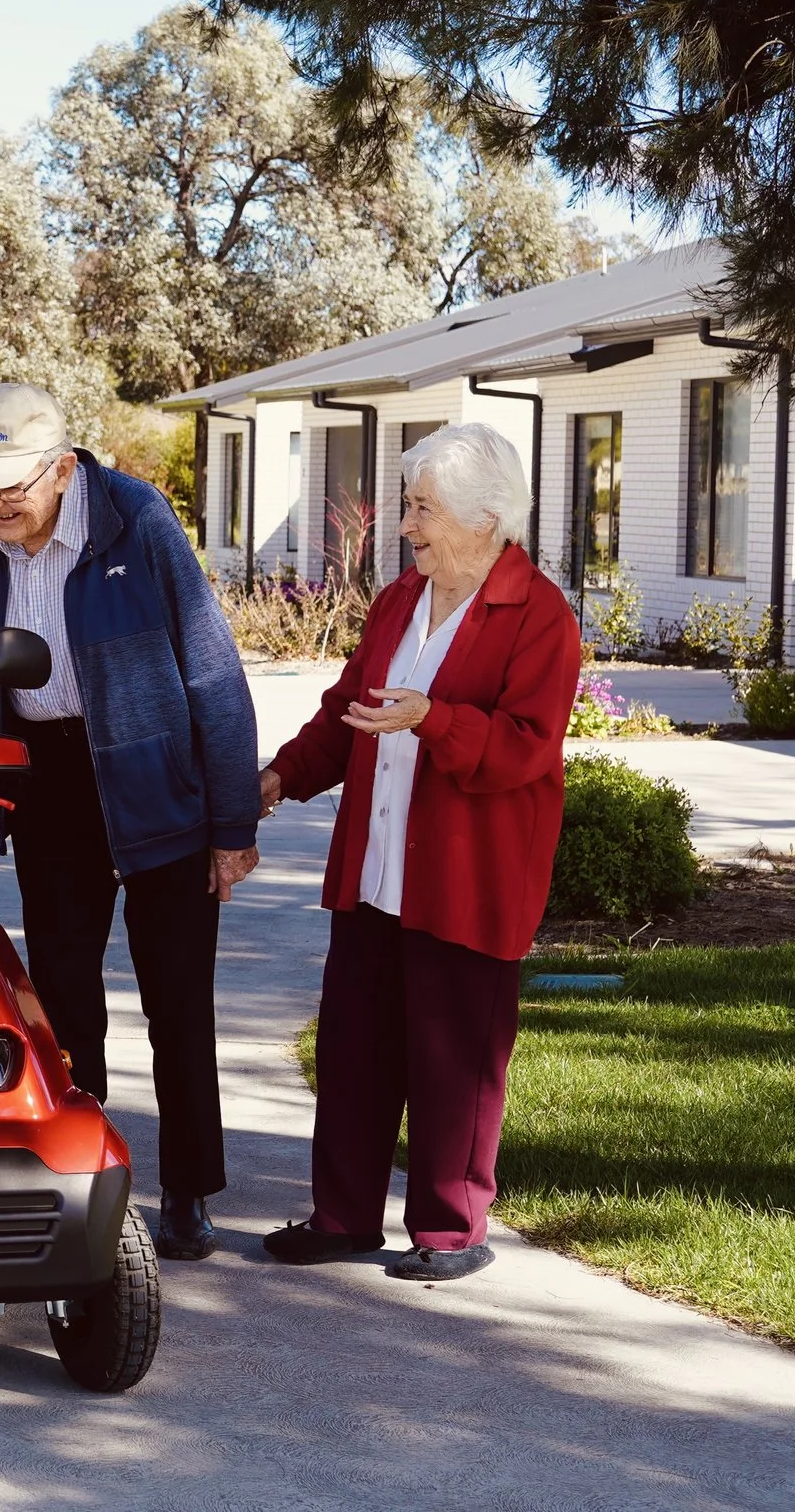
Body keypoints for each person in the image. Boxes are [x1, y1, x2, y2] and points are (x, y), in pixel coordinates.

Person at [0, 384, 260, 1264]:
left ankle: (190, 1190)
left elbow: (213, 672)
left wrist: (232, 823)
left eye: (10, 485)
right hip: (49, 781)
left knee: (176, 1001)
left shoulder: (135, 519)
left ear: (63, 468)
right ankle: (83, 1172)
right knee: (65, 997)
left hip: (156, 775)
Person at [259, 423, 579, 1282]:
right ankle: (343, 1217)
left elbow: (526, 747)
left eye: (422, 508)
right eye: (411, 507)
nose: (407, 525)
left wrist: (432, 719)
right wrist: (280, 777)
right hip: (376, 867)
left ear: (485, 516)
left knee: (456, 1054)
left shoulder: (538, 614)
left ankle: (450, 1228)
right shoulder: (402, 598)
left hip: (469, 876)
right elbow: (345, 710)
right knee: (355, 1047)